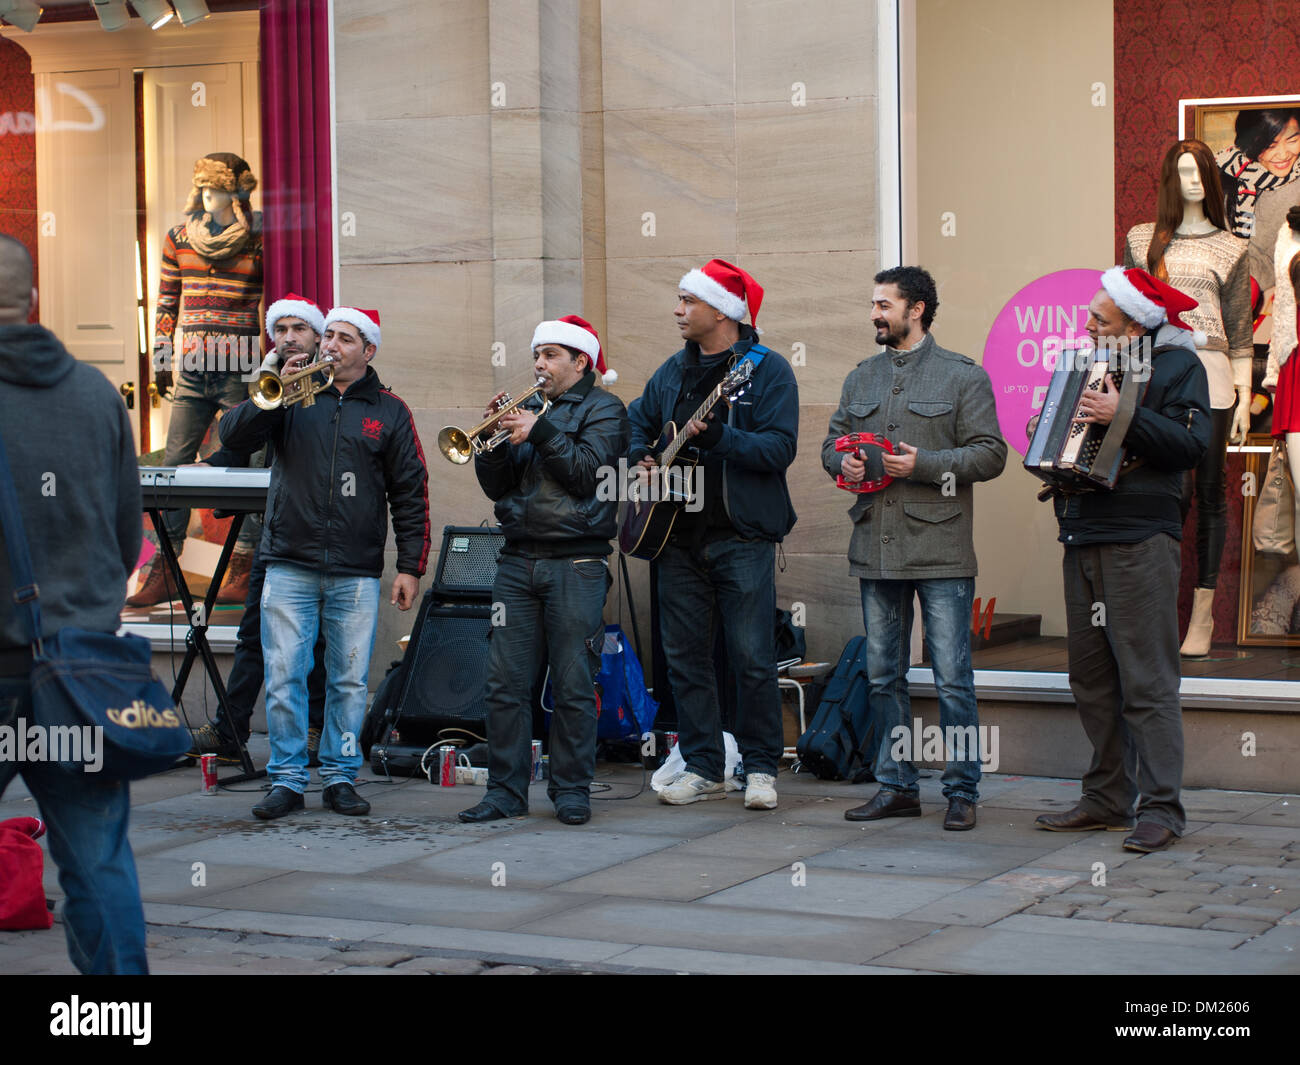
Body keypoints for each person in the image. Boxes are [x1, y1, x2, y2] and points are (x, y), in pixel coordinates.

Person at [0, 234, 149, 973]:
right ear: (32, 300)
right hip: (81, 669)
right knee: (97, 862)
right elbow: (128, 540)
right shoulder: (95, 391)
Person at [220, 306, 430, 819]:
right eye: (328, 336)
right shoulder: (290, 395)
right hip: (289, 561)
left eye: (344, 338)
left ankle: (339, 776)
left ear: (368, 351)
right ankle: (287, 779)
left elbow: (410, 492)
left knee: (348, 681)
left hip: (355, 569)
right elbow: (231, 437)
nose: (331, 345)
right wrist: (272, 388)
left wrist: (410, 566)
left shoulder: (391, 410)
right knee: (286, 674)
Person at [823, 265, 1006, 831]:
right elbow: (831, 443)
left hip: (942, 549)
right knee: (883, 675)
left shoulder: (962, 376)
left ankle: (962, 791)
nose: (875, 314)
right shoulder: (860, 377)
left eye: (884, 304)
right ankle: (897, 786)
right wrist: (843, 461)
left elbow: (991, 454)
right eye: (874, 304)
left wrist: (924, 466)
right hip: (875, 547)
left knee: (952, 675)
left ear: (916, 310)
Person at [1034, 267, 1210, 853]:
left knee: (1147, 680)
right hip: (1081, 533)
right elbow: (1073, 441)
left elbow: (1191, 446)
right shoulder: (1085, 364)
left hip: (1139, 538)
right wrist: (1050, 432)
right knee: (1090, 677)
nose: (1086, 326)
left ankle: (1161, 809)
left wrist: (1123, 416)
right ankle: (1108, 799)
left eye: (1099, 319)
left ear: (1136, 322)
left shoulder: (1178, 365)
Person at [627, 259, 798, 811]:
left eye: (687, 301)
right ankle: (703, 766)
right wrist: (642, 457)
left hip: (740, 537)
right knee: (685, 658)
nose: (677, 311)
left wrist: (721, 436)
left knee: (750, 656)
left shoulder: (765, 370)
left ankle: (761, 767)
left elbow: (779, 449)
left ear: (721, 311)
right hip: (675, 538)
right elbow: (636, 421)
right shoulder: (671, 373)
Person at [457, 316, 628, 826]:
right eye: (536, 354)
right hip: (516, 559)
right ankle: (505, 792)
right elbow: (498, 487)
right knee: (505, 683)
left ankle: (571, 790)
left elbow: (585, 474)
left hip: (576, 561)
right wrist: (490, 443)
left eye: (550, 354)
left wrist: (543, 430)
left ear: (581, 361)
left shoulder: (607, 410)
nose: (538, 364)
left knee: (575, 682)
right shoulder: (529, 410)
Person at [186, 294, 328, 765]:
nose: (289, 337)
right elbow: (239, 437)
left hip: (324, 535)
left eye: (298, 329)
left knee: (318, 639)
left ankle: (315, 729)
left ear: (317, 336)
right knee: (252, 635)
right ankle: (231, 729)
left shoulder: (335, 386)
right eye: (280, 329)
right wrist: (268, 387)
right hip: (278, 530)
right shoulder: (274, 386)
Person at [1123, 140, 1251, 656]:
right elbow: (1126, 312)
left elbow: (1240, 328)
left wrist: (1243, 396)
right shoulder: (1140, 239)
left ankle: (1201, 617)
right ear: (1169, 180)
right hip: (1159, 371)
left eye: (1200, 172)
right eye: (1181, 172)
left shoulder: (1232, 247)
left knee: (1211, 492)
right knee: (1163, 489)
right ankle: (1152, 608)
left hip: (1215, 369)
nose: (1193, 181)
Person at [130, 153, 265, 608]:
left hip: (242, 364)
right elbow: (166, 302)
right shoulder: (178, 238)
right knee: (173, 461)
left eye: (219, 188)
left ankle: (244, 563)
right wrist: (163, 358)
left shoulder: (257, 237)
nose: (209, 196)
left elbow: (278, 291)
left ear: (237, 191)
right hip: (191, 366)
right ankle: (166, 564)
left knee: (244, 462)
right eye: (204, 188)